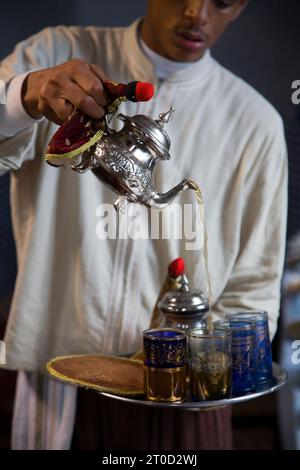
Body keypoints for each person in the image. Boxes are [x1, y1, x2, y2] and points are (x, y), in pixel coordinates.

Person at [0, 0, 287, 450]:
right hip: (60, 385)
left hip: (183, 399)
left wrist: (213, 378)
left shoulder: (254, 124)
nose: (197, 13)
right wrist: (22, 94)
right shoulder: (57, 54)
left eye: (223, 1)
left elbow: (255, 284)